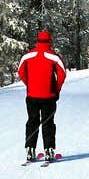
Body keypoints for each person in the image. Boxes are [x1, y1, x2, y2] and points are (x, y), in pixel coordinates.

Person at [18, 29, 67, 162]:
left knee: (32, 121)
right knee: (48, 122)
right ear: (50, 41)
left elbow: (20, 71)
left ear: (37, 41)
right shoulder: (54, 56)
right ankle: (49, 150)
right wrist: (57, 89)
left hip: (32, 95)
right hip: (49, 96)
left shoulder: (28, 56)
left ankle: (30, 149)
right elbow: (62, 74)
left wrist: (29, 84)